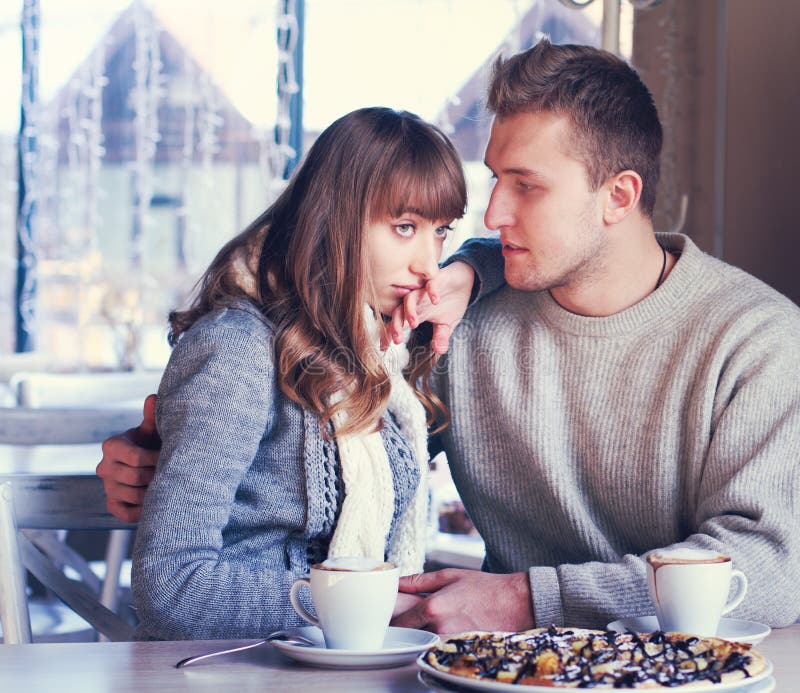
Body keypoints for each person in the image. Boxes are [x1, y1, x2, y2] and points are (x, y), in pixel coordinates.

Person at [100, 41, 800, 635]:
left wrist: (527, 598)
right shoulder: (454, 321)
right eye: (494, 177)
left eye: (526, 186)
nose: (492, 213)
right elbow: (326, 448)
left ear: (618, 196)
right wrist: (159, 463)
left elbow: (768, 571)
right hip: (495, 675)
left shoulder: (756, 341)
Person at [109, 106, 466, 640]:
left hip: (344, 662)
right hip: (235, 671)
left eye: (440, 232)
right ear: (336, 219)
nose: (427, 263)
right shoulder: (237, 349)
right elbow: (170, 588)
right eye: (404, 227)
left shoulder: (379, 354)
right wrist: (359, 603)